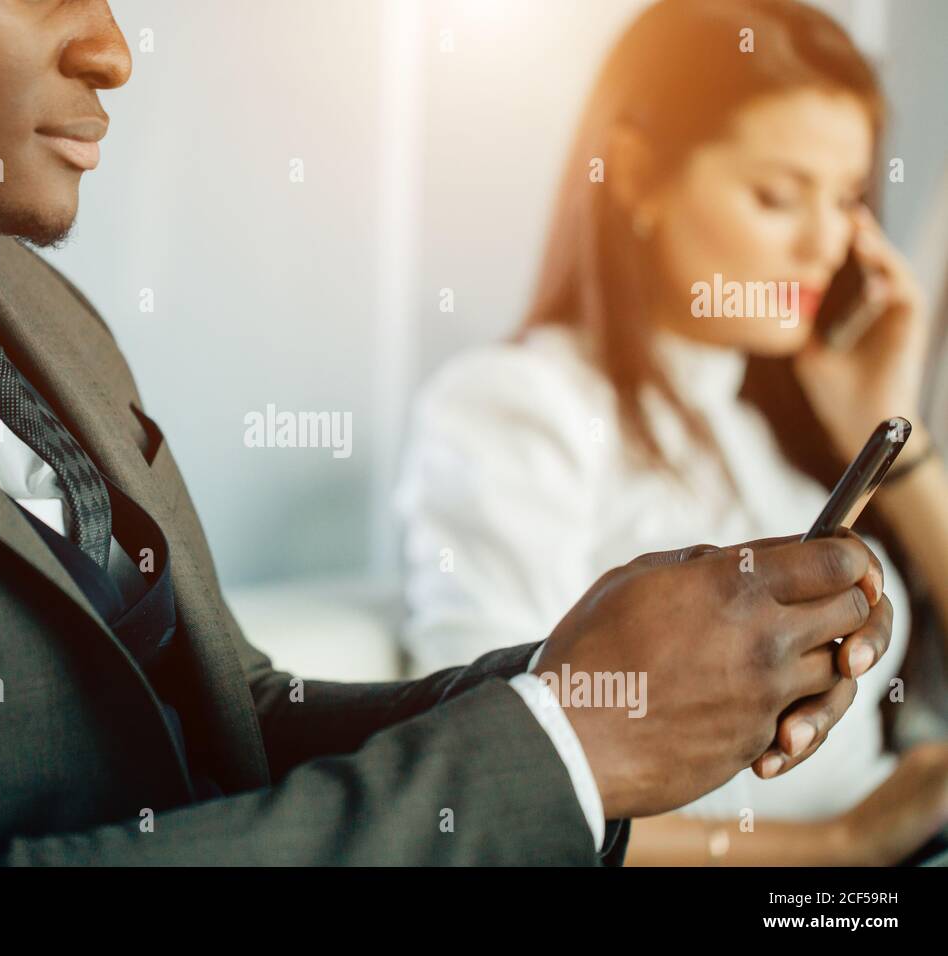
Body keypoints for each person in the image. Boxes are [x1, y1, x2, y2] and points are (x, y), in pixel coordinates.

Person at [0, 0, 891, 866]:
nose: (115, 51)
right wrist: (573, 743)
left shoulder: (13, 290)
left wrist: (596, 680)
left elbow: (233, 708)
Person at [397, 0, 948, 865]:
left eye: (845, 199)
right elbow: (495, 784)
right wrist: (846, 846)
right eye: (777, 195)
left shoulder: (767, 432)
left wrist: (895, 443)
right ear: (639, 174)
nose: (826, 244)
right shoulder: (518, 405)